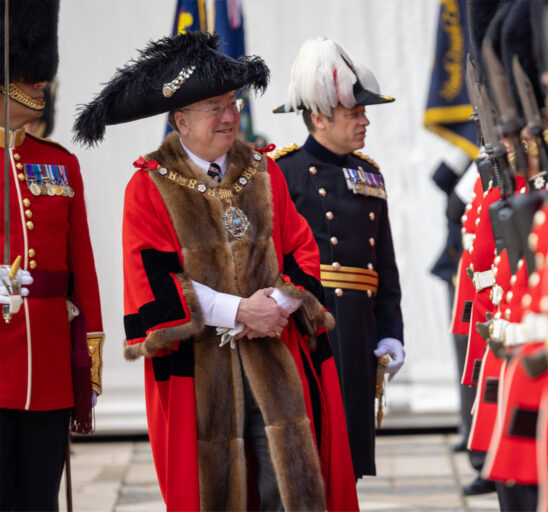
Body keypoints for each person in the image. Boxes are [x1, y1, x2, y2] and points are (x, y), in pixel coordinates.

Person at [74, 32, 357, 511]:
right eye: (214, 107)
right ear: (180, 119)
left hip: (275, 356)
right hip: (201, 368)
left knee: (285, 489)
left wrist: (281, 305)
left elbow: (302, 250)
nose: (230, 116)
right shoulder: (147, 188)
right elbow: (155, 284)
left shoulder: (265, 172)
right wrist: (240, 311)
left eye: (233, 104)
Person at [272, 37, 404, 479]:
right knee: (310, 453)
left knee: (348, 456)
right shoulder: (282, 171)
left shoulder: (369, 173)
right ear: (319, 117)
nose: (365, 121)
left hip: (358, 329)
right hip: (311, 328)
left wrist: (390, 332)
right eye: (354, 113)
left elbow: (383, 267)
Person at [0, 1, 104, 510]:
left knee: (39, 498)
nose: (40, 84)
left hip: (48, 368)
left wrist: (90, 346)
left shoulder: (59, 164)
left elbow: (81, 266)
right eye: (26, 74)